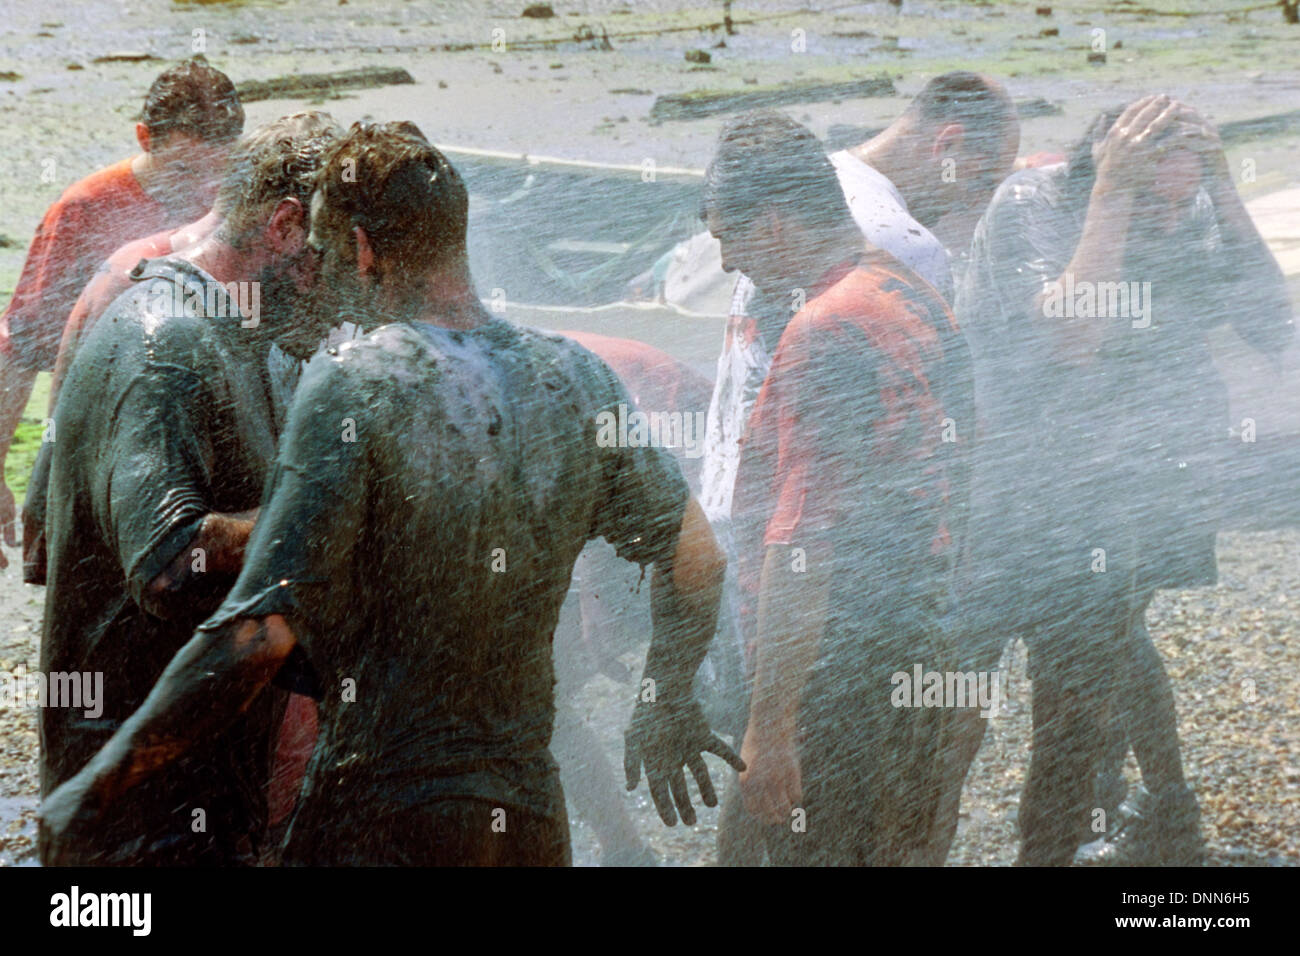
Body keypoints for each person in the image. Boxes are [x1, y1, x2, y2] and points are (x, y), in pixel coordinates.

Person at [40, 121, 744, 867]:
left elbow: (255, 633)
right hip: (527, 814)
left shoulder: (360, 387)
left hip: (383, 817)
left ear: (363, 251)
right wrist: (666, 701)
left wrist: (97, 787)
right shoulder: (574, 377)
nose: (322, 279)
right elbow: (697, 558)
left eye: (327, 253)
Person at [954, 95, 1293, 865]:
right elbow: (1074, 335)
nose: (1174, 219)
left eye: (1185, 198)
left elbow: (1270, 317)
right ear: (1100, 172)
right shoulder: (1035, 204)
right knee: (956, 694)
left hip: (1116, 490)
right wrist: (1113, 197)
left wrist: (1224, 190)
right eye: (1155, 199)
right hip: (1003, 495)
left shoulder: (1191, 205)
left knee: (1079, 696)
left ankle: (1079, 837)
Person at [33, 111, 343, 866]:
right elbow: (174, 564)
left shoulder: (256, 341)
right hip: (133, 823)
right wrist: (323, 516)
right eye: (336, 263)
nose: (349, 300)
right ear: (284, 225)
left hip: (205, 799)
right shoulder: (165, 343)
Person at [701, 111, 971, 865]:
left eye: (729, 236)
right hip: (914, 652)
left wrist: (773, 724)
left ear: (779, 223)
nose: (724, 262)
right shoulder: (915, 297)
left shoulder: (828, 328)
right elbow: (959, 489)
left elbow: (800, 549)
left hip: (837, 682)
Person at [0, 56, 244, 566]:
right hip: (101, 433)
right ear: (144, 138)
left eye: (215, 168)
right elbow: (20, 346)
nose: (199, 186)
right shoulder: (85, 209)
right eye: (184, 168)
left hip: (212, 430)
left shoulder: (240, 202)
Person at [551, 329, 713, 866]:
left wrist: (598, 606)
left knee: (545, 703)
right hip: (670, 447)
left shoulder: (567, 381)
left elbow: (661, 518)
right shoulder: (536, 365)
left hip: (685, 461)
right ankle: (624, 844)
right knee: (547, 702)